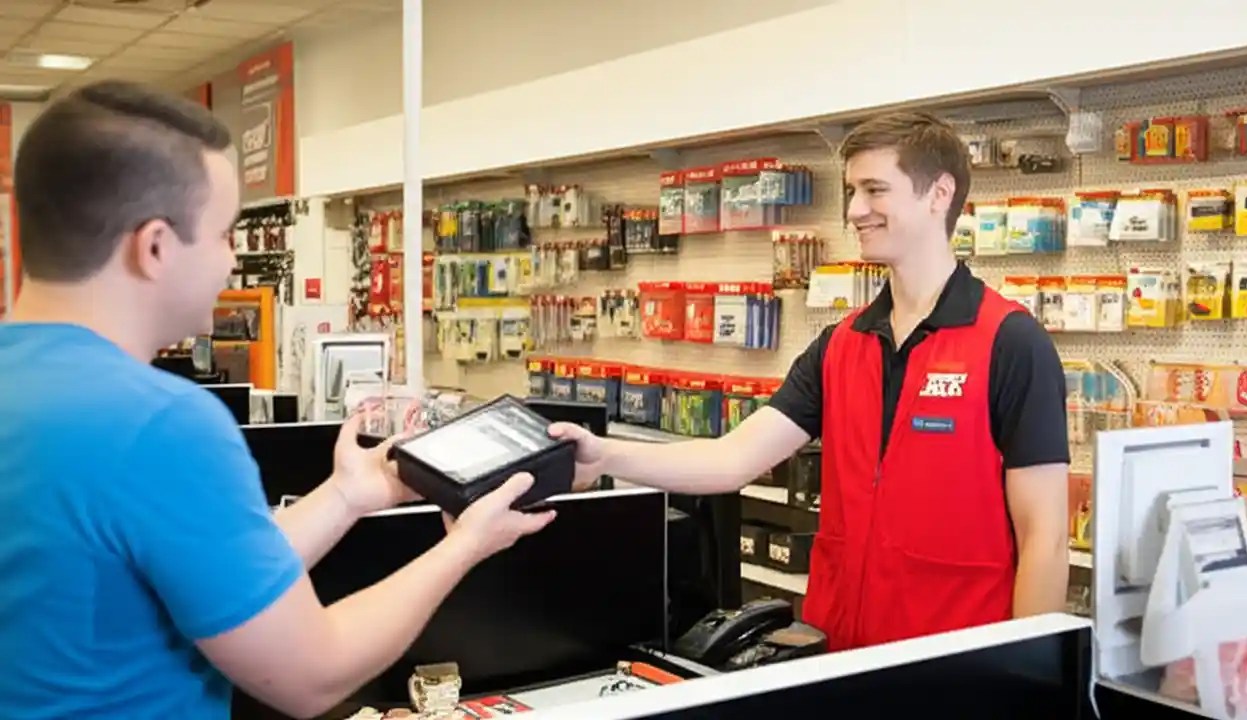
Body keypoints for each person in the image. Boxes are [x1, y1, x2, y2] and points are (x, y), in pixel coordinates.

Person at [0, 81, 554, 719]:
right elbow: (314, 675)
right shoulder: (158, 425)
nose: (233, 263)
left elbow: (210, 575)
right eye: (225, 235)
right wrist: (468, 544)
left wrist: (346, 496)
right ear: (153, 247)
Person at [554, 111, 1070, 652]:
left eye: (874, 189)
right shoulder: (841, 345)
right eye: (851, 191)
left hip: (956, 671)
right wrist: (606, 456)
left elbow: (1047, 538)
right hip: (837, 663)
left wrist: (1028, 677)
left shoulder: (1009, 343)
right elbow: (730, 460)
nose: (854, 210)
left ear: (939, 194)